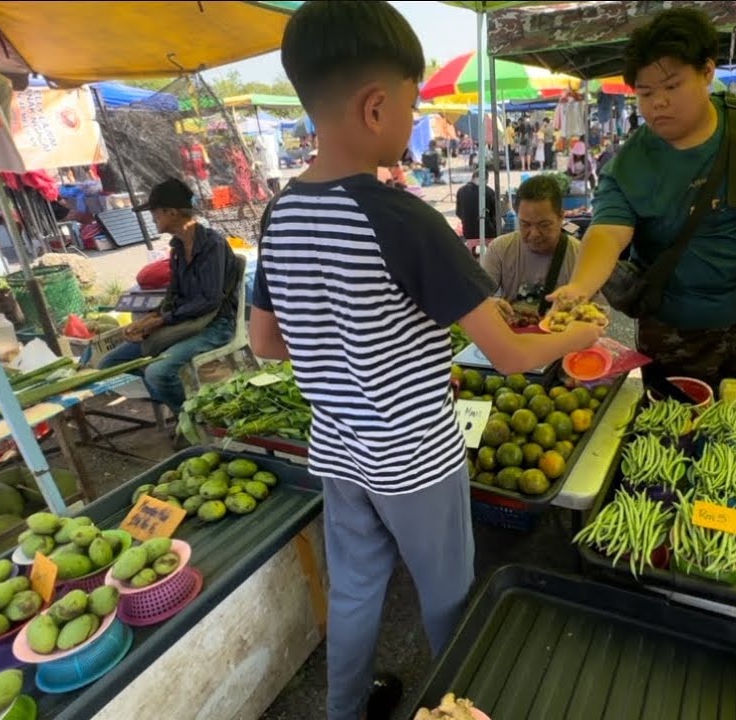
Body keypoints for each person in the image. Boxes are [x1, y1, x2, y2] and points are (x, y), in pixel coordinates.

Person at [252, 5, 603, 720]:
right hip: (414, 455)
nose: (414, 121)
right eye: (413, 105)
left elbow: (267, 343)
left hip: (340, 449)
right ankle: (452, 706)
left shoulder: (280, 213)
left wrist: (355, 344)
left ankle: (344, 712)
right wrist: (579, 335)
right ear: (375, 104)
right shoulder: (402, 216)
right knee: (446, 594)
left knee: (354, 591)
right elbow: (507, 355)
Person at [551, 8, 736, 389]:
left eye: (671, 86)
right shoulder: (630, 164)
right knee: (677, 428)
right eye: (645, 93)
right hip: (675, 328)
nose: (658, 102)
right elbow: (607, 233)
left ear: (707, 71)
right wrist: (579, 287)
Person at [98, 178, 238, 414]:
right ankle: (183, 404)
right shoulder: (178, 249)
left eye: (156, 214)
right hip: (183, 322)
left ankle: (191, 418)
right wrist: (149, 318)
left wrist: (163, 320)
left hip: (215, 324)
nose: (153, 219)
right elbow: (174, 294)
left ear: (172, 212)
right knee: (109, 365)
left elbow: (209, 300)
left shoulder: (213, 245)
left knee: (157, 372)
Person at [483, 175, 598, 325]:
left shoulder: (581, 256)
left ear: (561, 217)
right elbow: (480, 300)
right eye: (525, 224)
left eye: (544, 225)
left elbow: (596, 315)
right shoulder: (500, 250)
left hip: (565, 342)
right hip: (514, 342)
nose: (534, 233)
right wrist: (490, 305)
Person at [455, 171, 498, 240]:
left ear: (472, 178)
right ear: (486, 180)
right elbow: (495, 214)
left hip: (468, 232)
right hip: (488, 233)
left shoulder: (460, 191)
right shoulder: (489, 192)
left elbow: (458, 213)